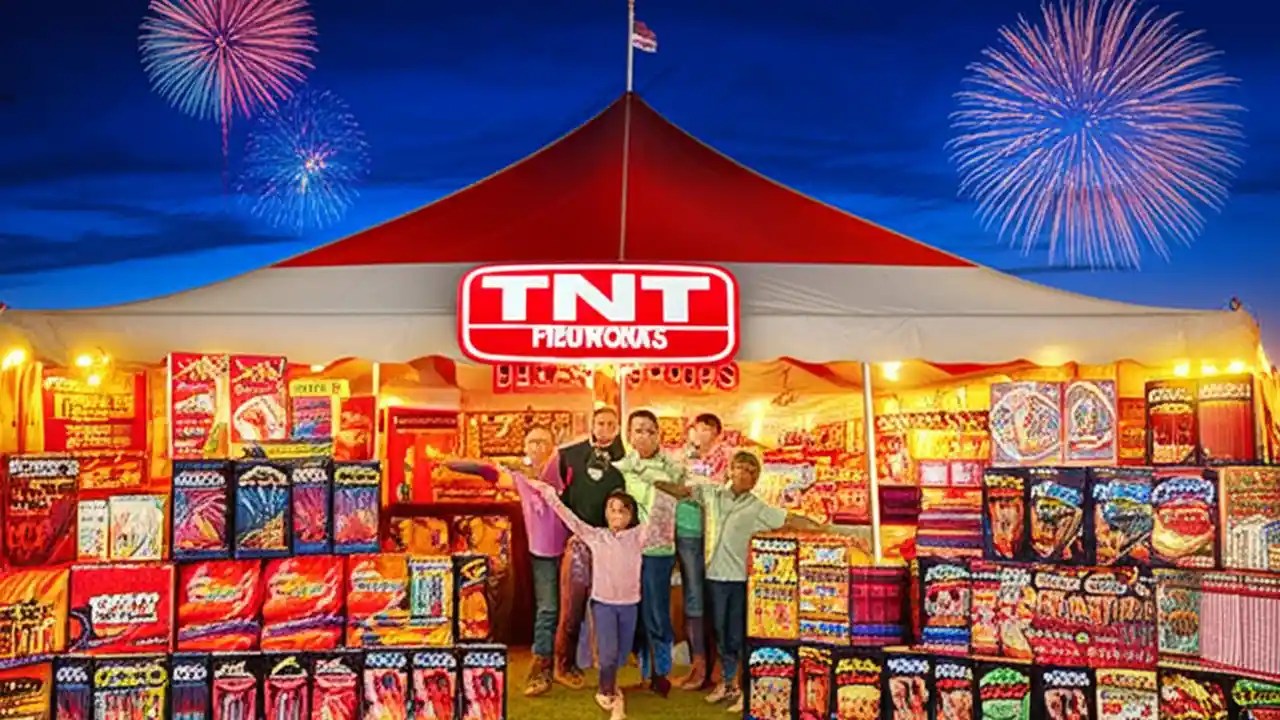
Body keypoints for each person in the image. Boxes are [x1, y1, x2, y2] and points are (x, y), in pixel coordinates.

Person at [654, 450, 863, 713]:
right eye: (740, 468)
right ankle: (727, 682)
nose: (744, 475)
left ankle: (743, 689)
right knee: (720, 633)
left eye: (751, 472)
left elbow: (790, 519)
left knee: (738, 634)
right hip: (714, 577)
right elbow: (681, 491)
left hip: (740, 580)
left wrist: (830, 530)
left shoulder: (758, 508)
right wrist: (651, 479)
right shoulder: (712, 495)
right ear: (730, 470)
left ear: (756, 480)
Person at [524, 478, 676, 720]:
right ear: (605, 513)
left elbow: (660, 521)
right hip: (603, 605)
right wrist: (549, 494)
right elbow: (570, 518)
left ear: (631, 515)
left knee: (621, 655)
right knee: (607, 655)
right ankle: (606, 692)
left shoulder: (638, 536)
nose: (616, 515)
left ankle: (612, 690)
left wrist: (665, 493)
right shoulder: (596, 536)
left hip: (629, 605)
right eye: (612, 510)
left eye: (622, 511)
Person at [541, 406, 626, 689]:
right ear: (592, 424)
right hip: (579, 540)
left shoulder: (625, 458)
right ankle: (562, 665)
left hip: (611, 543)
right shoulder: (570, 455)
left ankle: (606, 662)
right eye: (600, 423)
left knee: (608, 606)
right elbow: (550, 491)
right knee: (572, 606)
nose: (605, 429)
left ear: (617, 427)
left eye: (611, 424)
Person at [613, 409, 686, 696]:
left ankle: (661, 673)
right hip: (629, 551)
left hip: (659, 550)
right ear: (629, 435)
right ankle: (644, 672)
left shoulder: (672, 468)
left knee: (657, 612)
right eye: (638, 430)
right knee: (635, 612)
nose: (644, 436)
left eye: (650, 431)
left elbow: (683, 495)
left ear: (658, 435)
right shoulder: (621, 468)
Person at [510, 425, 567, 697]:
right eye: (532, 442)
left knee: (573, 609)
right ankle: (541, 666)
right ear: (525, 447)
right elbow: (486, 471)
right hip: (542, 552)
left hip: (572, 547)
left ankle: (568, 664)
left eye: (543, 441)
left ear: (552, 446)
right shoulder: (520, 476)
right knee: (548, 609)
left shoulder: (563, 470)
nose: (538, 447)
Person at [675, 412, 730, 690]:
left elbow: (724, 492)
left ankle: (720, 664)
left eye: (708, 428)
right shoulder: (682, 457)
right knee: (693, 597)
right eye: (698, 428)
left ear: (718, 434)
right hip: (686, 531)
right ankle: (699, 663)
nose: (701, 433)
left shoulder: (726, 459)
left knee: (716, 596)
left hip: (714, 535)